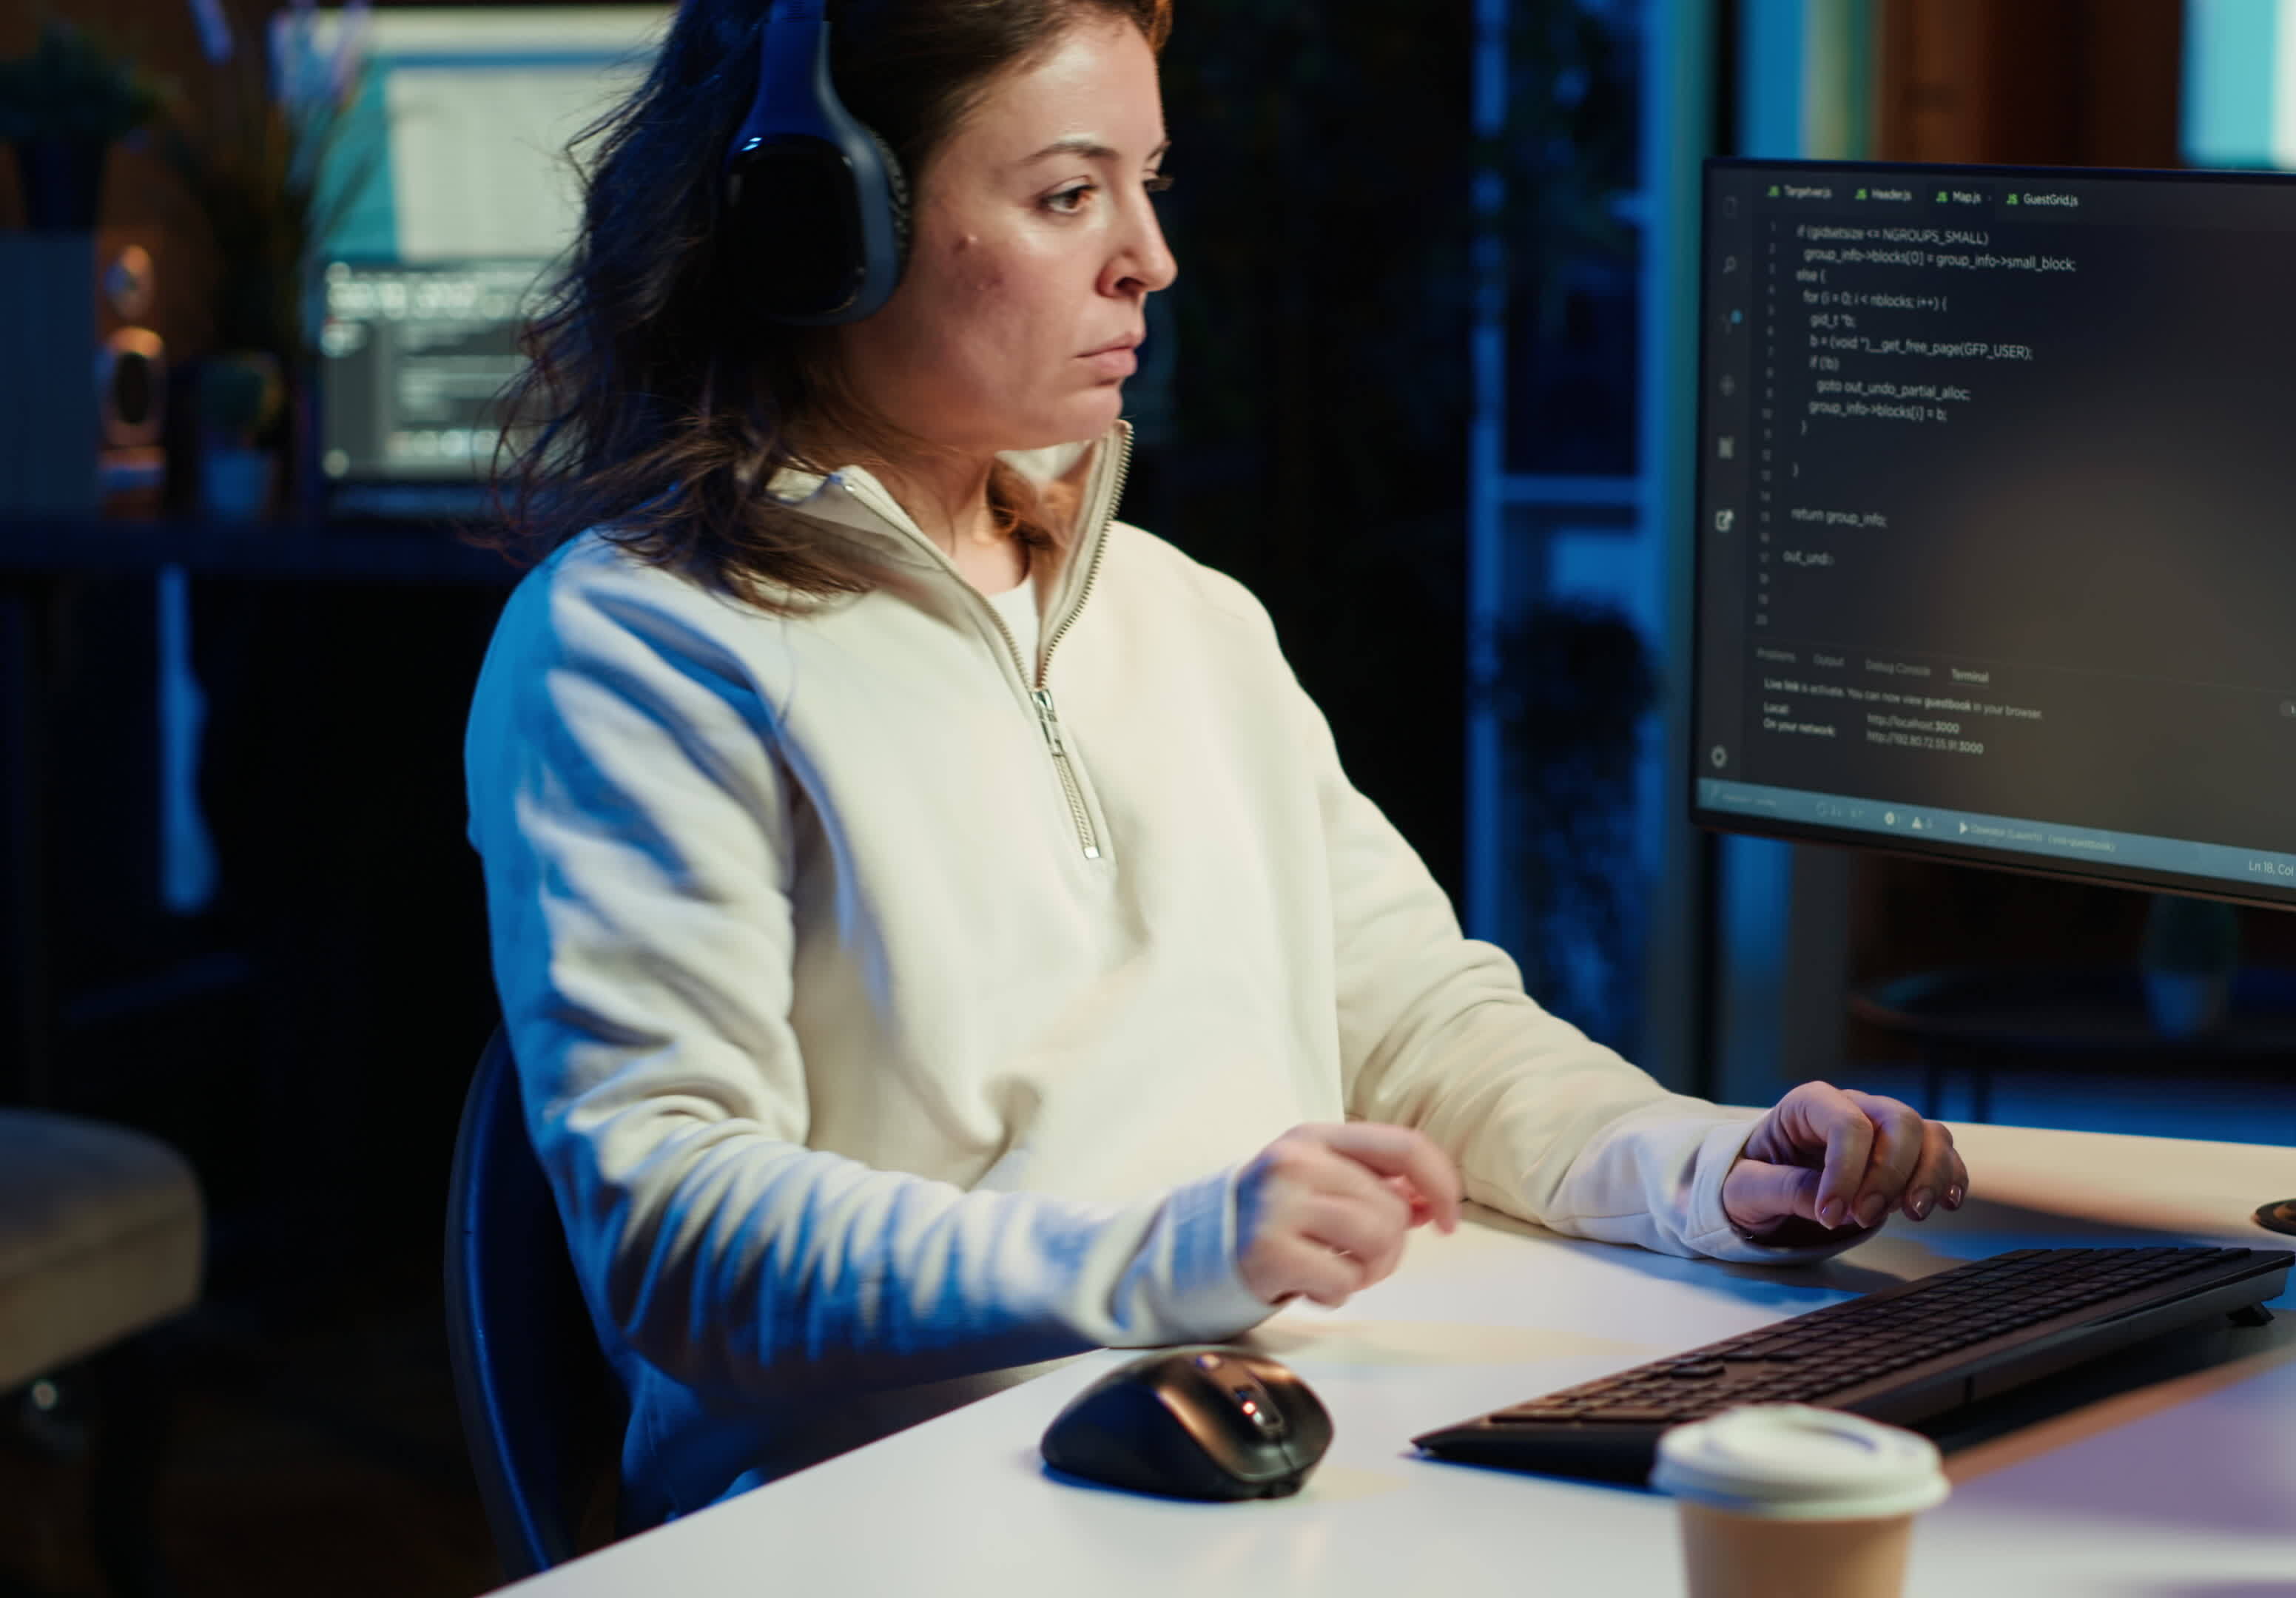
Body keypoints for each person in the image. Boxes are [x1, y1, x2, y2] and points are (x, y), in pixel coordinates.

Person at [465, 0, 1968, 1522]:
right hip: (916, 1515)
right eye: (1067, 195)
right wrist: (1170, 1259)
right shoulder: (637, 648)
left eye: (1149, 183)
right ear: (819, 230)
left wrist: (1703, 1171)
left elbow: (1420, 1032)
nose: (1147, 259)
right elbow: (674, 1230)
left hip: (1296, 1452)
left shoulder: (1185, 619)